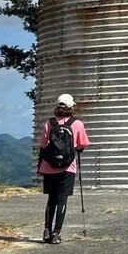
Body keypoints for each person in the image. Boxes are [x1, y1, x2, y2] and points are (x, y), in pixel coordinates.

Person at [37, 93, 90, 244]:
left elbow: (43, 145)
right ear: (70, 107)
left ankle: (46, 231)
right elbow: (82, 145)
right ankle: (56, 234)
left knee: (51, 200)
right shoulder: (77, 123)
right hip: (67, 168)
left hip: (49, 167)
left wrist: (40, 166)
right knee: (62, 200)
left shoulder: (50, 123)